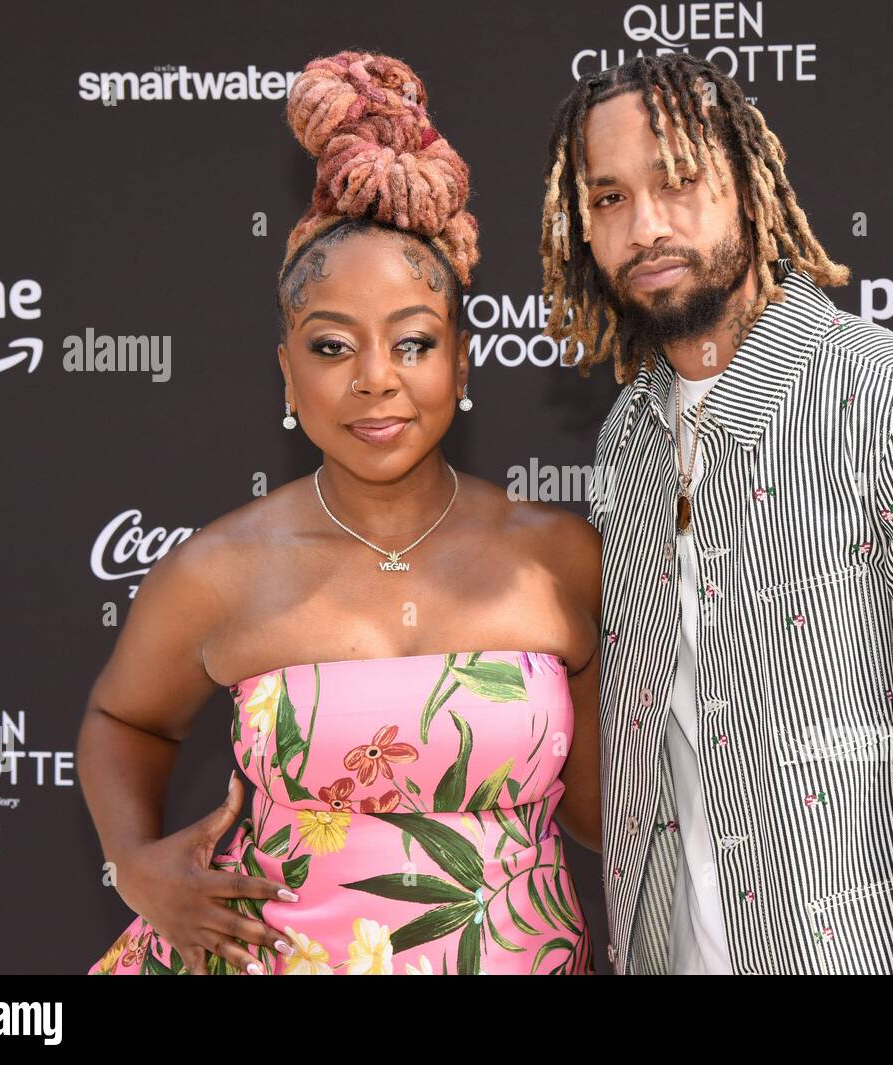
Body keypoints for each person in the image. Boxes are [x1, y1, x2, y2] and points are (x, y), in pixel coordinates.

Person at [538, 53, 893, 975]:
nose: (647, 227)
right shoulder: (627, 441)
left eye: (681, 181)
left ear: (754, 189)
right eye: (609, 199)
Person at [79, 49, 600, 977]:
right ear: (286, 371)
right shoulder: (219, 570)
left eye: (412, 341)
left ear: (461, 363)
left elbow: (617, 810)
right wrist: (136, 868)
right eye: (331, 346)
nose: (376, 378)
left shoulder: (559, 556)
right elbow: (125, 721)